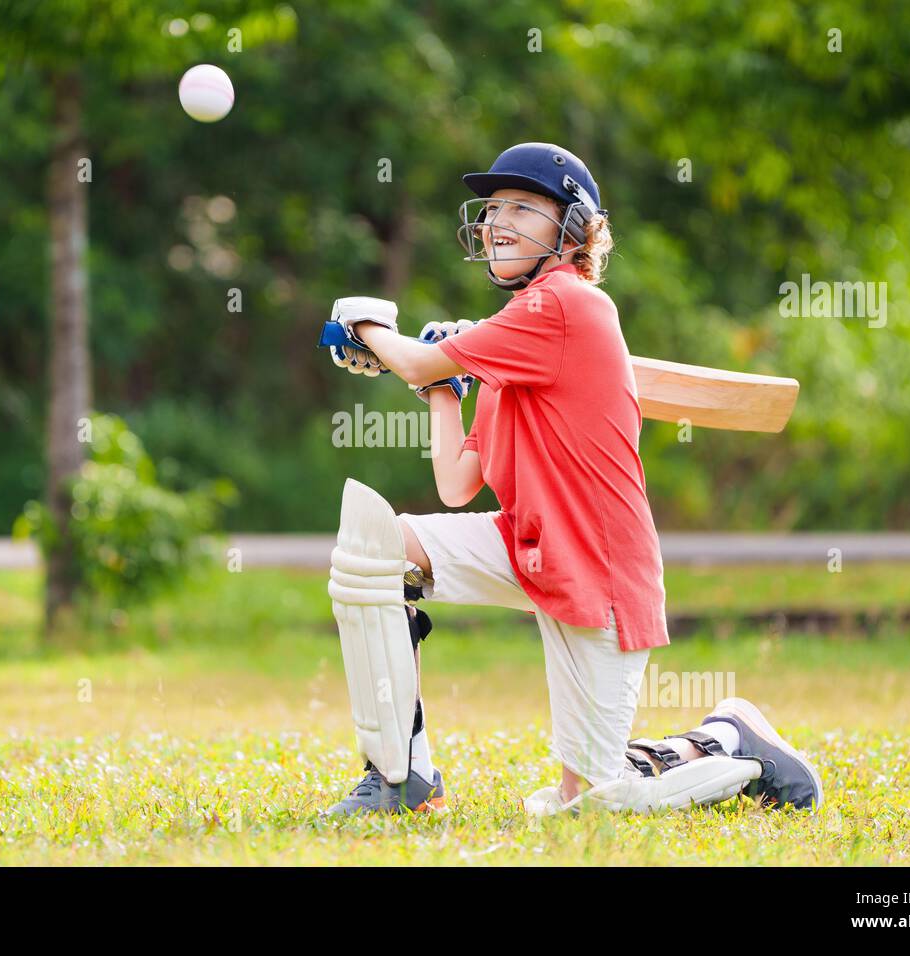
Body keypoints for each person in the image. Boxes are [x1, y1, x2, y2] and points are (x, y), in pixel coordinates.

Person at [321, 142, 822, 817]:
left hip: (598, 568)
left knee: (588, 803)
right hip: (528, 546)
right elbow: (455, 483)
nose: (500, 222)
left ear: (574, 229)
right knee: (377, 548)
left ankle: (731, 742)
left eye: (524, 208)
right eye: (494, 208)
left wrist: (370, 328)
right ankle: (400, 778)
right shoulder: (514, 334)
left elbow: (412, 361)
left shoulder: (565, 303)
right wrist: (446, 387)